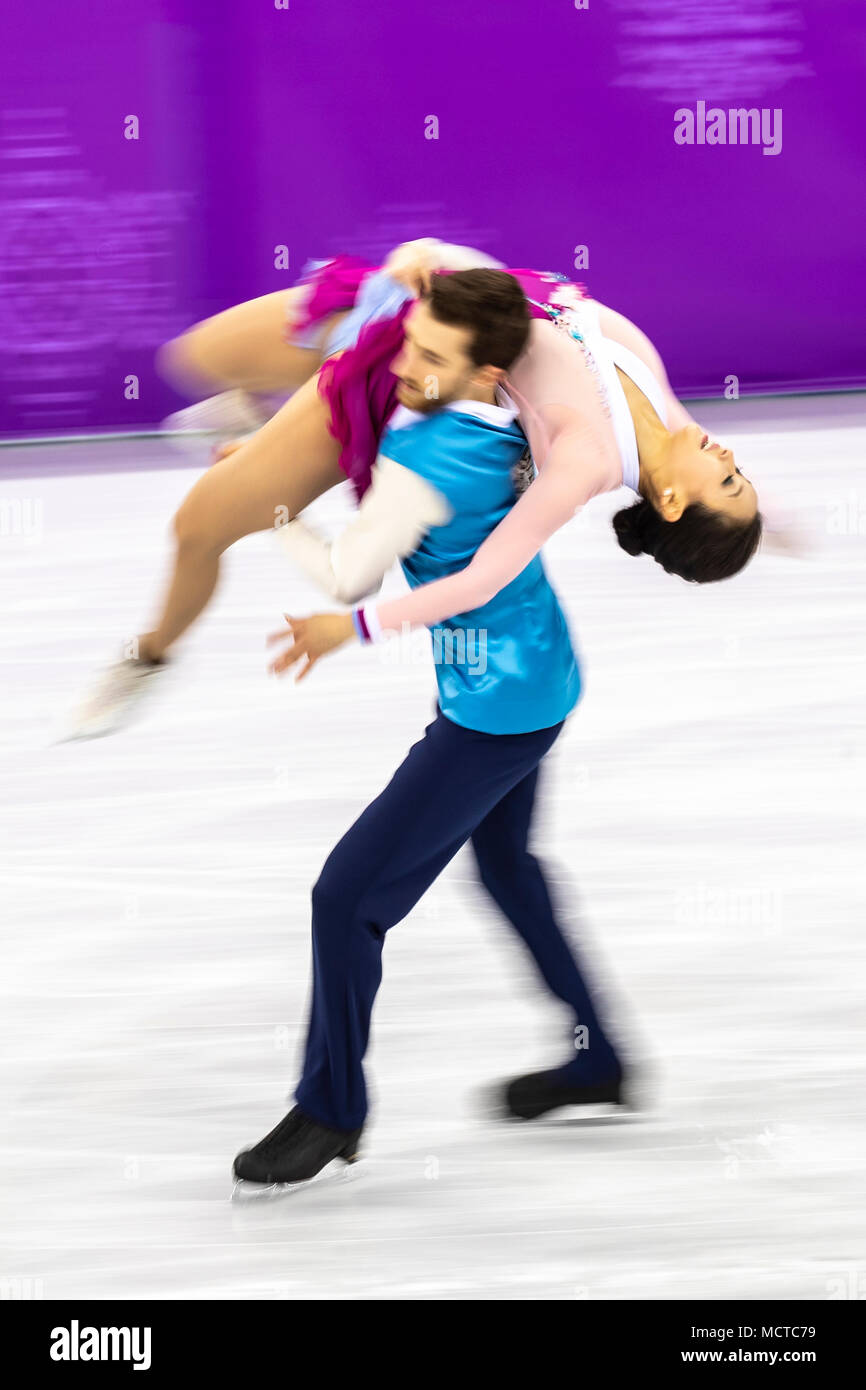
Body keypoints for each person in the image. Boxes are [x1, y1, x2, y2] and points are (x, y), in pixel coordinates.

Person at [233, 270, 626, 1190]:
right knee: (509, 872)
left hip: (494, 712)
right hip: (538, 680)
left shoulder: (424, 462)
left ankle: (331, 1111)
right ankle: (597, 1054)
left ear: (487, 371)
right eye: (410, 341)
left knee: (346, 898)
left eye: (432, 358)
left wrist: (280, 524)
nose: (406, 366)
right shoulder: (510, 422)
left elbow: (346, 579)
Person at [63, 239, 761, 740]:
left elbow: (483, 580)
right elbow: (519, 293)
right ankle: (255, 419)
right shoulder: (669, 405)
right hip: (412, 301)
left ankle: (148, 656)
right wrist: (437, 257)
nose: (729, 456)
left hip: (397, 377)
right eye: (743, 473)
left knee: (197, 527)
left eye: (729, 480)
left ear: (672, 503)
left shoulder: (584, 459)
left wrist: (357, 624)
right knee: (194, 358)